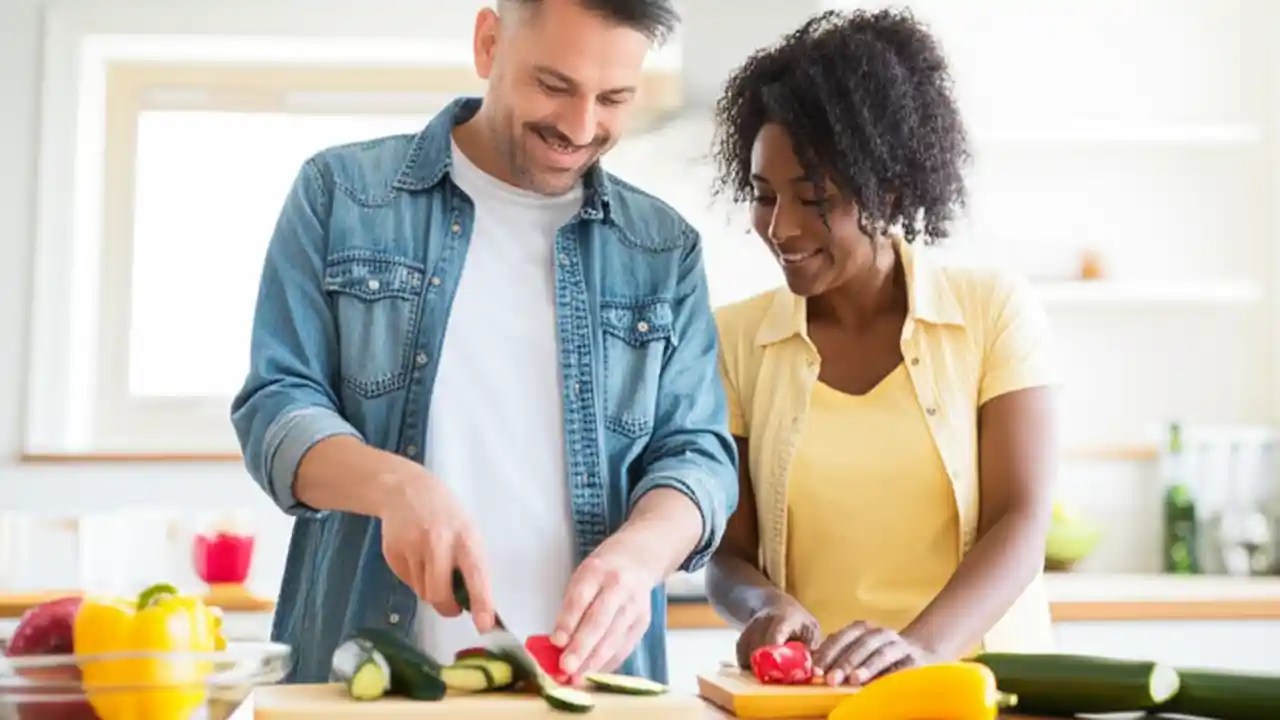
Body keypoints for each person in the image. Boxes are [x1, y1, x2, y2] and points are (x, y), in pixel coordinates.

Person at [231, 0, 737, 684]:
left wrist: (642, 554)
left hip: (588, 687)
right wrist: (395, 487)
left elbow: (698, 456)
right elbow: (276, 407)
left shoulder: (661, 250)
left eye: (613, 97)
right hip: (360, 681)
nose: (580, 127)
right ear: (489, 42)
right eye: (553, 86)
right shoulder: (343, 196)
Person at [705, 8, 1063, 687]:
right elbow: (728, 553)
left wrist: (922, 649)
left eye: (814, 198)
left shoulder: (991, 312)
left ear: (887, 189)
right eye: (762, 195)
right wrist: (764, 604)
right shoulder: (735, 341)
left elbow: (1020, 522)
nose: (780, 227)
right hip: (823, 699)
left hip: (980, 689)